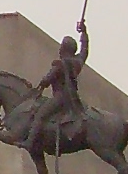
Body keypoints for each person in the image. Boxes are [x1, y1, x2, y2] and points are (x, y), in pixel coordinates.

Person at [36, 22, 90, 151]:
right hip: (74, 99)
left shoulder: (60, 64)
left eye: (61, 47)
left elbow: (47, 80)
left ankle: (29, 141)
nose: (59, 49)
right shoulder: (78, 62)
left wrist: (42, 83)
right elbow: (85, 50)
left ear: (64, 49)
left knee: (39, 115)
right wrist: (84, 33)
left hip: (60, 97)